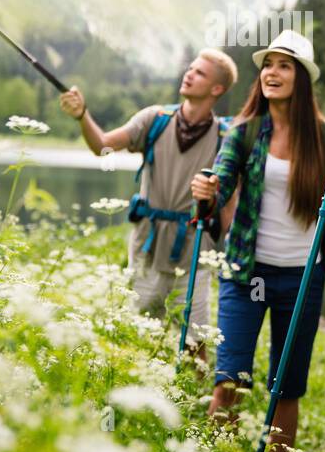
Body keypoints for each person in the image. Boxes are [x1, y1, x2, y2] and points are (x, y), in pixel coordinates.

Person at [190, 30, 325, 452]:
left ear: (301, 78)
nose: (272, 73)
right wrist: (208, 191)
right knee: (229, 381)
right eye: (267, 65)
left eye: (284, 65)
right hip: (246, 274)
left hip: (302, 278)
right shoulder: (244, 132)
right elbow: (219, 185)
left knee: (285, 387)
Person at [59, 49, 238, 358]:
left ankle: (190, 402)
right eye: (190, 68)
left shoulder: (226, 136)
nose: (189, 74)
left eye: (200, 73)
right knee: (136, 333)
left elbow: (229, 203)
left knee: (195, 341)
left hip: (195, 250)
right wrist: (82, 115)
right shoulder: (154, 119)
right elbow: (102, 147)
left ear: (216, 89)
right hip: (147, 246)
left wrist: (226, 245)